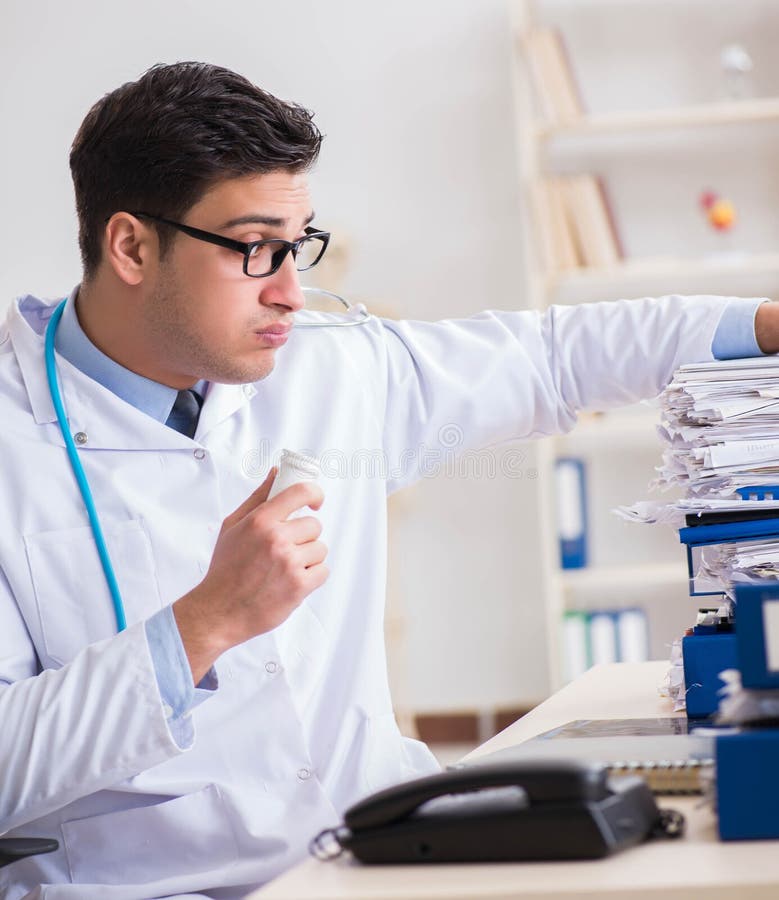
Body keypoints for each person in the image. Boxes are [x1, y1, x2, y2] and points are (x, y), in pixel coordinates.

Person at [0, 61, 777, 900]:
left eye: (297, 246)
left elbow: (553, 357)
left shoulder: (331, 365)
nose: (291, 293)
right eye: (256, 249)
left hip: (372, 861)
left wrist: (764, 326)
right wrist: (202, 625)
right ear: (131, 247)